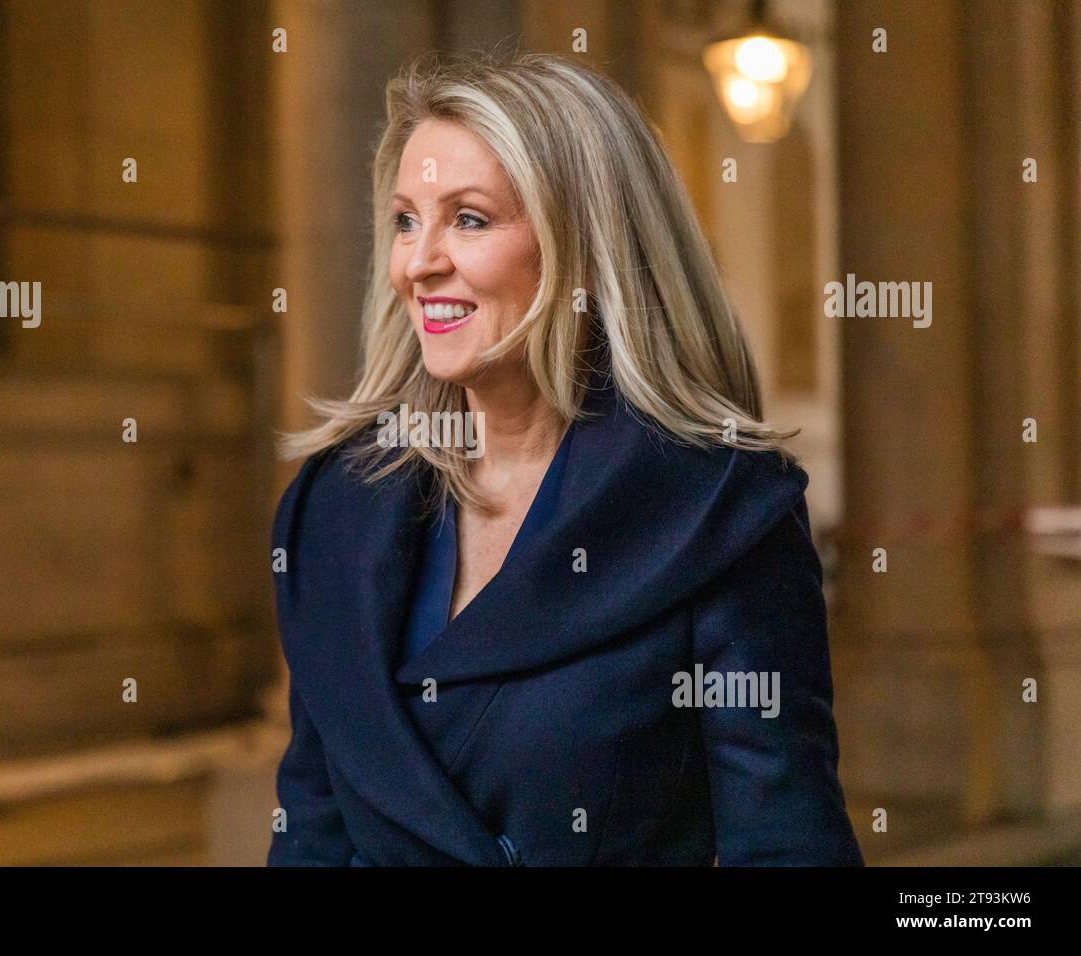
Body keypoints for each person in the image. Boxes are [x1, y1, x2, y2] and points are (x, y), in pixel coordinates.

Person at [267, 50, 863, 866]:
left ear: (584, 248)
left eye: (469, 219)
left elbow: (787, 845)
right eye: (407, 220)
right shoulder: (333, 507)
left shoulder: (715, 511)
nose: (418, 263)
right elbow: (310, 835)